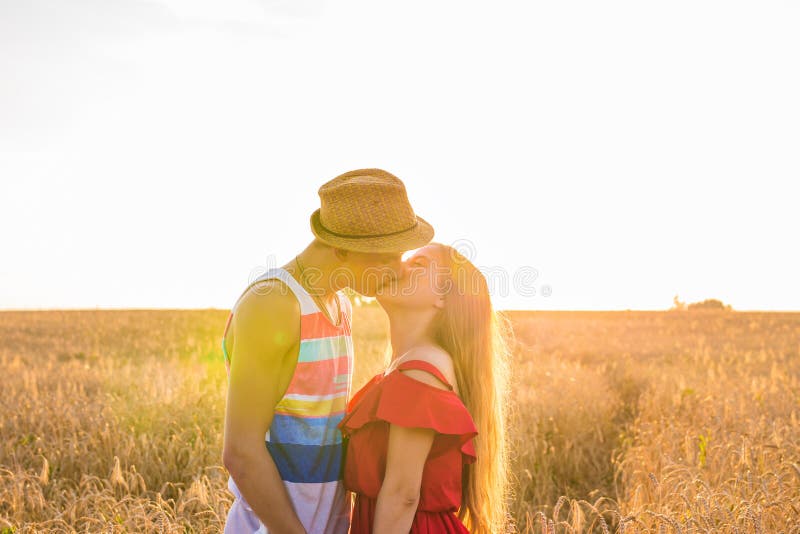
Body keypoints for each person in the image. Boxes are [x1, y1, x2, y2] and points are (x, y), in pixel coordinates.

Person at [221, 169, 434, 534]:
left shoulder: (341, 306)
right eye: (390, 255)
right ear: (341, 249)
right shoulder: (272, 304)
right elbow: (241, 452)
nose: (400, 269)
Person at [338, 243, 511, 534]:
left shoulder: (421, 370)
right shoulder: (412, 363)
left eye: (418, 265)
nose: (399, 266)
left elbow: (402, 496)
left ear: (443, 297)